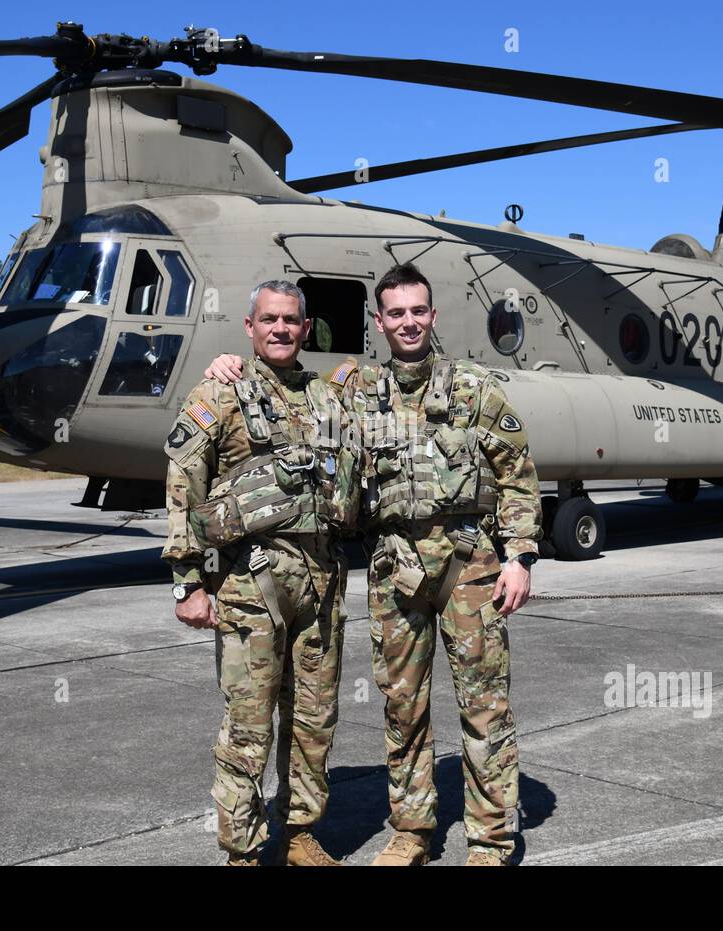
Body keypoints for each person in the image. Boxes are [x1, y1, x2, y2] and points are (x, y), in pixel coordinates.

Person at [204, 262, 542, 866]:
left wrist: (518, 557)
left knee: (485, 705)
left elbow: (517, 475)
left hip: (469, 566)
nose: (408, 322)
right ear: (379, 322)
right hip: (395, 568)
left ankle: (490, 840)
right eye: (396, 313)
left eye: (418, 311)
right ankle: (412, 830)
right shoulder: (354, 391)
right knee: (402, 706)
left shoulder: (475, 388)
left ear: (432, 316)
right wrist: (229, 365)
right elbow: (288, 392)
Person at [163, 278, 361, 866]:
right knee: (248, 725)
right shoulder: (220, 390)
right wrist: (187, 583)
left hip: (321, 583)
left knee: (313, 720)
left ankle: (299, 835)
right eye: (269, 319)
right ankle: (243, 851)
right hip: (250, 585)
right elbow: (183, 484)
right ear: (249, 327)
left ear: (306, 328)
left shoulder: (326, 398)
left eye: (291, 320)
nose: (281, 329)